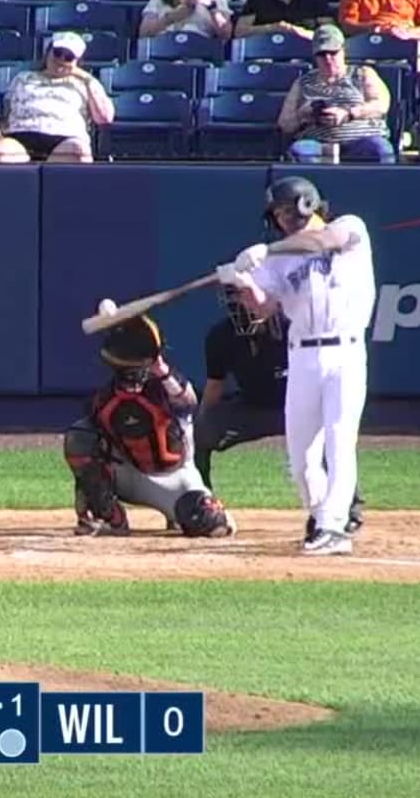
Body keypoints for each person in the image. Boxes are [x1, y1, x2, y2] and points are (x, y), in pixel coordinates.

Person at [217, 176, 374, 555]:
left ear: (308, 204)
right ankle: (321, 516)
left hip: (346, 352)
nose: (283, 219)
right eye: (277, 214)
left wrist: (265, 251)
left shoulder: (349, 228)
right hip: (301, 355)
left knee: (339, 441)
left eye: (287, 210)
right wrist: (240, 282)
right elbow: (263, 307)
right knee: (301, 458)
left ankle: (334, 526)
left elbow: (323, 242)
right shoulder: (278, 259)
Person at [195, 285, 363, 533]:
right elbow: (214, 386)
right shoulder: (221, 336)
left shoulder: (294, 328)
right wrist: (201, 423)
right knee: (200, 432)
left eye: (244, 295)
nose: (240, 304)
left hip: (297, 405)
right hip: (253, 408)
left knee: (332, 436)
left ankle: (348, 508)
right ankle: (201, 504)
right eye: (234, 298)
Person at [63, 302, 236, 539]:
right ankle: (110, 518)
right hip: (133, 478)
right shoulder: (105, 399)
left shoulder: (166, 389)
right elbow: (87, 444)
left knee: (212, 524)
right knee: (79, 439)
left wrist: (161, 368)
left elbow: (188, 401)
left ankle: (184, 512)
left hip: (178, 478)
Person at [277, 24, 396, 164]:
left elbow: (381, 105)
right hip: (318, 141)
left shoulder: (362, 73)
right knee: (298, 151)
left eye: (333, 53)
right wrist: (304, 114)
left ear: (343, 51)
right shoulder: (302, 82)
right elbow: (284, 123)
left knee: (380, 149)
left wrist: (349, 113)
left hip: (361, 138)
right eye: (322, 54)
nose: (328, 59)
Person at [0, 31, 114, 164]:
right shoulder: (24, 78)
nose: (61, 60)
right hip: (21, 134)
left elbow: (104, 118)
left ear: (77, 61)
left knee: (78, 152)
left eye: (69, 57)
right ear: (48, 52)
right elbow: (8, 111)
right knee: (1, 152)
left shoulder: (84, 84)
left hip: (65, 139)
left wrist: (87, 79)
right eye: (57, 53)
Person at [233, 0, 334, 40]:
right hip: (266, 51)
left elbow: (330, 32)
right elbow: (240, 31)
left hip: (305, 50)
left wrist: (297, 32)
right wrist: (272, 28)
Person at [138, 0, 231, 40]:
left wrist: (212, 9)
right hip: (166, 50)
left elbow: (225, 35)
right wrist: (170, 18)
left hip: (199, 51)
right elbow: (144, 33)